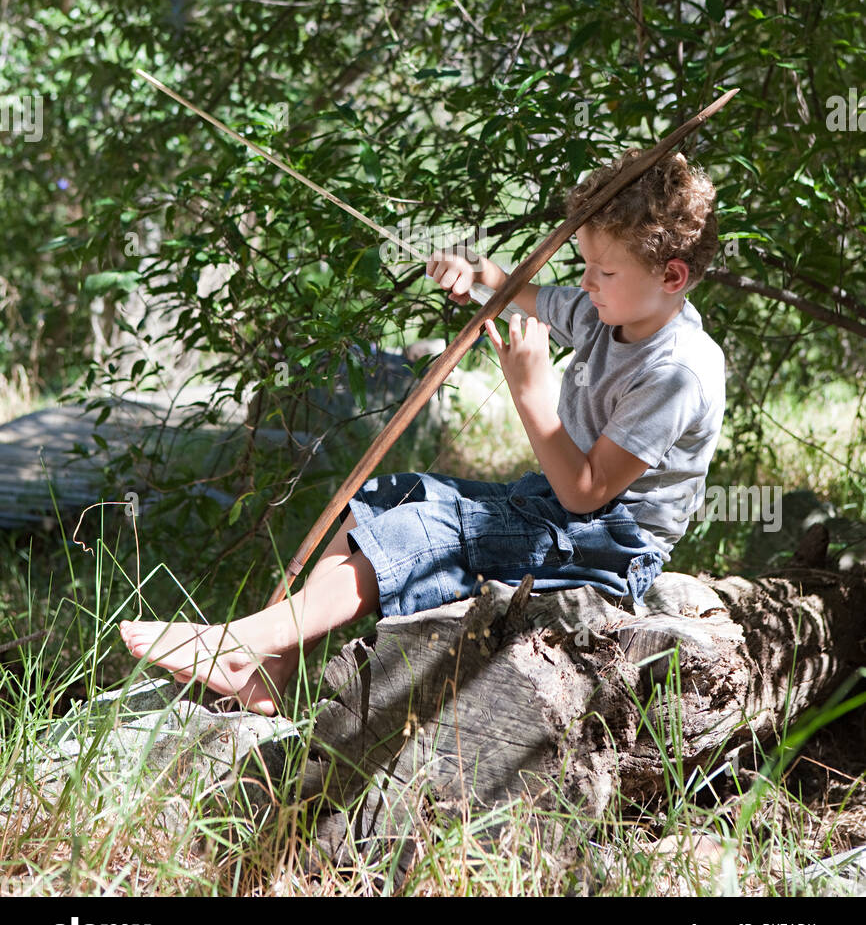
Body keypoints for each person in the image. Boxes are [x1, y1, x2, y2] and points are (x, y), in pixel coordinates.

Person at [119, 147, 726, 716]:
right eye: (586, 266)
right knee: (391, 497)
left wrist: (531, 395)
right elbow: (524, 295)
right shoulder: (610, 309)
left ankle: (236, 639)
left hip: (614, 546)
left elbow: (587, 492)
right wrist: (478, 274)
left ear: (671, 276)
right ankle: (268, 670)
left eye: (603, 271)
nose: (587, 282)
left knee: (422, 531)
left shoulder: (677, 372)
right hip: (560, 509)